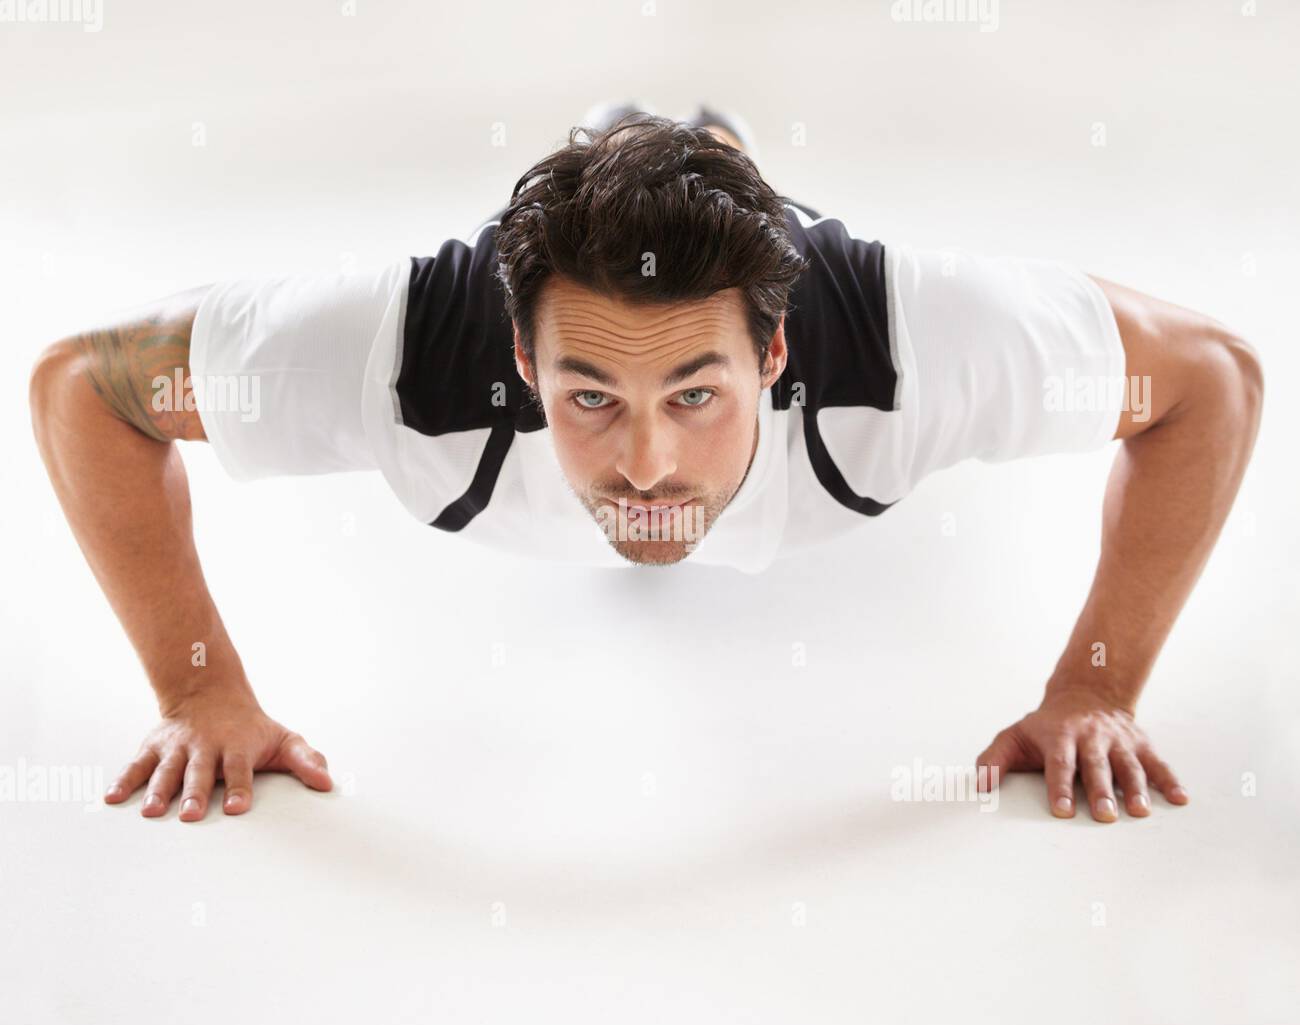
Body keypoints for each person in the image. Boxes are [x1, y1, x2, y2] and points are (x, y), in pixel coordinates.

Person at [28, 106, 1263, 825]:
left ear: (774, 351)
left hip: (794, 267)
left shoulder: (905, 342)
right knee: (625, 160)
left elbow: (1209, 381)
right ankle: (637, 136)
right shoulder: (406, 354)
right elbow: (85, 392)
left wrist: (1097, 680)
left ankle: (696, 137)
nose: (647, 464)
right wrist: (198, 690)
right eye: (588, 394)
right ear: (520, 353)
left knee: (701, 161)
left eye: (695, 392)